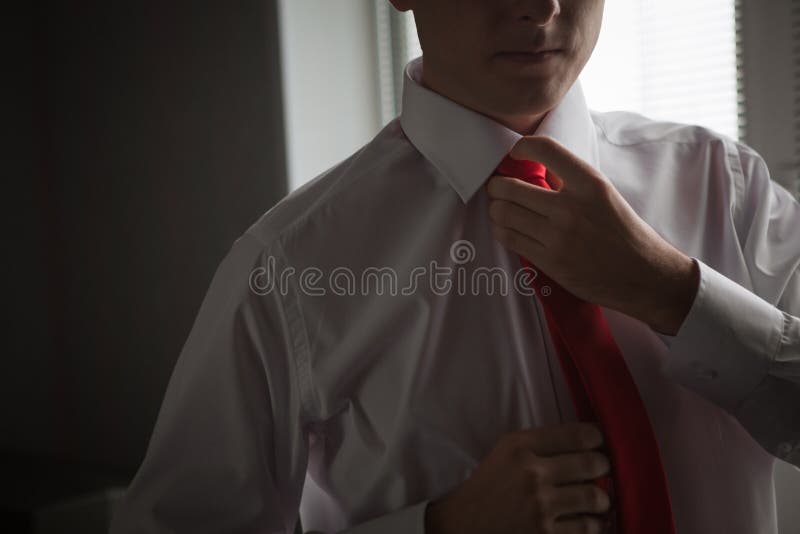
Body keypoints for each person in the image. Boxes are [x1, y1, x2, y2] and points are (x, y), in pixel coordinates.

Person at [109, 1, 800, 533]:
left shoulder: (727, 186)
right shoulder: (288, 269)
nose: (540, 5)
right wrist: (434, 530)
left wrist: (675, 294)